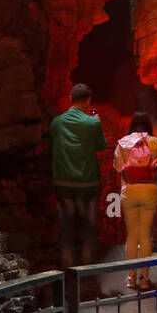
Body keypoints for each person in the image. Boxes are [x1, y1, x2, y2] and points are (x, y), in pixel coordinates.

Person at [47, 83, 107, 269]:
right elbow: (101, 146)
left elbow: (51, 148)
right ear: (88, 101)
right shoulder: (92, 122)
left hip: (63, 182)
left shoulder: (56, 122)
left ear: (71, 100)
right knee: (88, 228)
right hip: (87, 182)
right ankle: (86, 272)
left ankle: (67, 272)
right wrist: (96, 121)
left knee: (66, 229)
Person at [113, 111, 157, 290]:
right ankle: (144, 279)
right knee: (145, 235)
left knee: (132, 235)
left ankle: (130, 278)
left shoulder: (123, 142)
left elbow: (118, 167)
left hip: (129, 191)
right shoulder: (155, 142)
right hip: (149, 191)